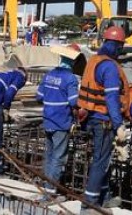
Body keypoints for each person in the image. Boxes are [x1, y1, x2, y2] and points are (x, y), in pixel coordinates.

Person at [77, 24, 129, 210]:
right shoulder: (110, 67)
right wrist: (119, 125)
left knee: (103, 159)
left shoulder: (94, 60)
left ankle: (105, 197)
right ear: (118, 45)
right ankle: (89, 203)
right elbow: (112, 99)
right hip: (103, 120)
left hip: (89, 116)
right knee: (101, 161)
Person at [35, 45, 81, 195]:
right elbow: (74, 102)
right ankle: (50, 190)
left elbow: (39, 96)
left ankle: (46, 185)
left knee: (49, 155)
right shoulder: (70, 78)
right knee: (58, 157)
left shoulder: (49, 74)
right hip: (61, 122)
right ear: (73, 61)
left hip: (47, 120)